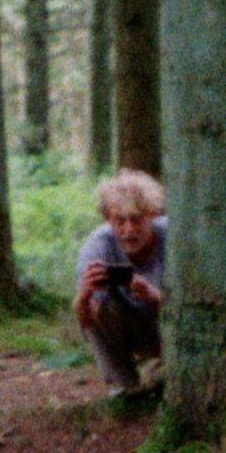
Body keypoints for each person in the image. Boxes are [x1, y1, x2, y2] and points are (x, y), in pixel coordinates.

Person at [71, 168, 170, 403]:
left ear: (152, 215)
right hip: (129, 328)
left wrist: (153, 295)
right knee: (98, 307)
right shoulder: (97, 247)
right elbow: (86, 321)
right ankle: (123, 389)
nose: (128, 230)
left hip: (171, 327)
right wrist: (84, 296)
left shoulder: (172, 237)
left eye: (136, 219)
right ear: (108, 218)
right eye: (119, 220)